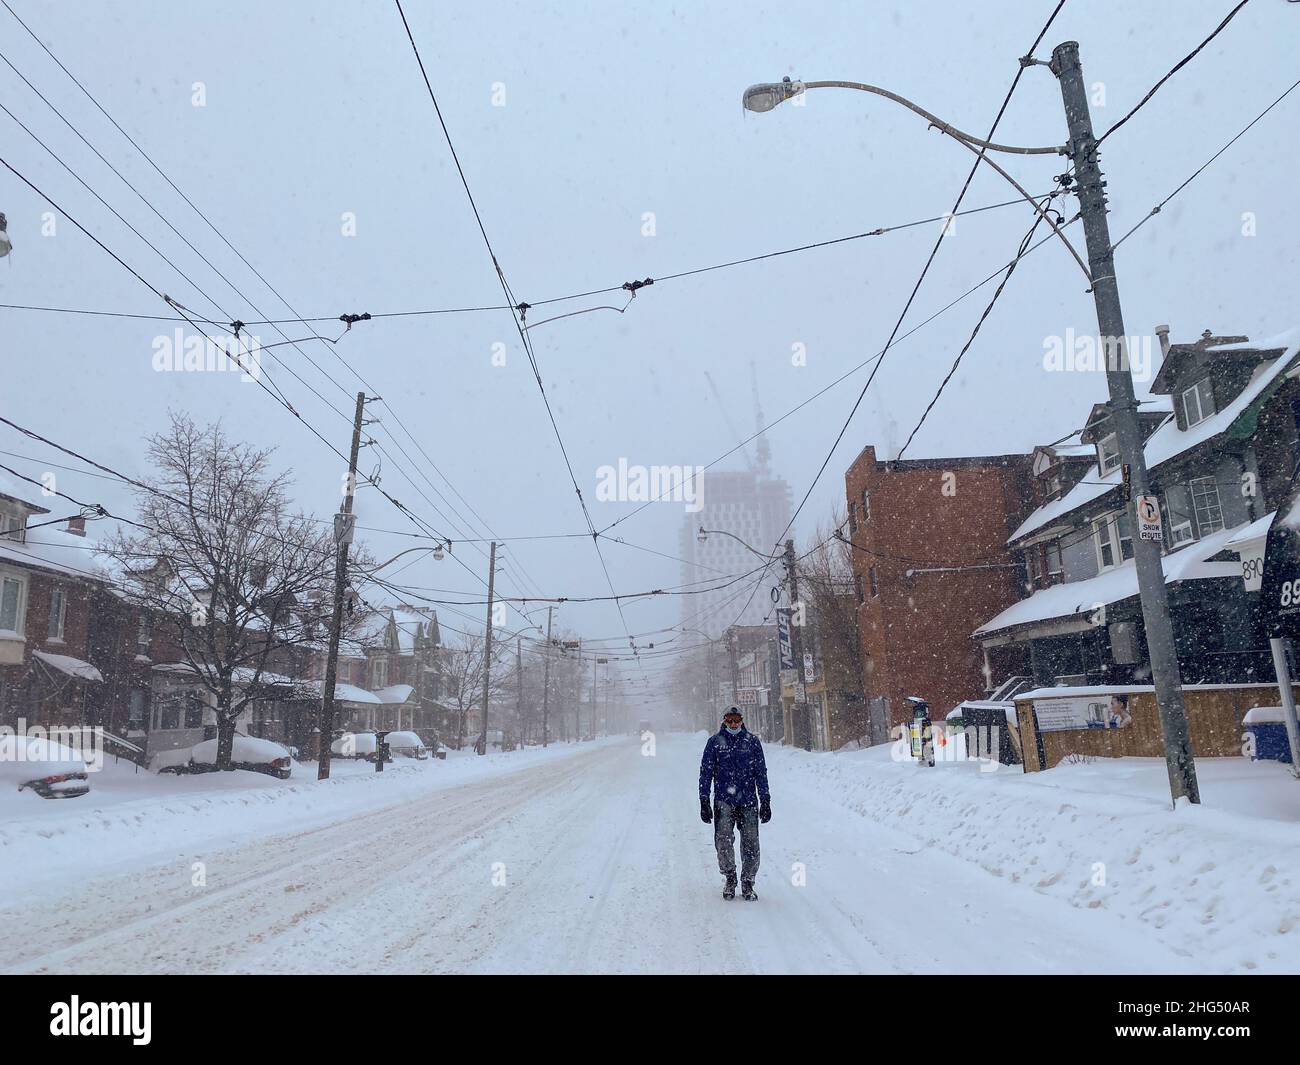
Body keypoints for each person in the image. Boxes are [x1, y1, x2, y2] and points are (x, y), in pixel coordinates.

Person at [699, 707, 771, 900]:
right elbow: (706, 773)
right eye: (730, 720)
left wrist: (765, 800)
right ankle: (730, 877)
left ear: (742, 720)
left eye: (736, 720)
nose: (733, 724)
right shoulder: (714, 743)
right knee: (723, 841)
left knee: (751, 843)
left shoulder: (752, 743)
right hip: (724, 801)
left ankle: (748, 882)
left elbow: (761, 773)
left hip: (748, 801)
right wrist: (704, 800)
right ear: (724, 720)